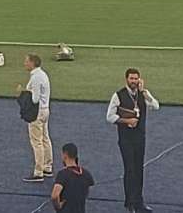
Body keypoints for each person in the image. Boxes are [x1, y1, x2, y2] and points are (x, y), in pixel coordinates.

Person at [106, 68, 159, 213]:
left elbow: (156, 106)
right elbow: (109, 117)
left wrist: (145, 93)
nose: (134, 81)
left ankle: (139, 202)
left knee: (139, 170)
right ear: (126, 79)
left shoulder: (143, 95)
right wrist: (125, 120)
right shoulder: (118, 95)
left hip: (140, 138)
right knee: (129, 170)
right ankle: (130, 202)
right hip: (125, 139)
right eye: (131, 79)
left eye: (136, 79)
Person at [19, 54, 53, 182]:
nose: (25, 63)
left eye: (26, 61)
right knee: (45, 138)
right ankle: (47, 166)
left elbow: (35, 99)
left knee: (37, 142)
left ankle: (38, 172)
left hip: (36, 112)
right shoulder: (43, 74)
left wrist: (23, 92)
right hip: (45, 110)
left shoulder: (36, 78)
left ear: (32, 63)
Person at [50, 143, 95, 213]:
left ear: (65, 155)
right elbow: (87, 191)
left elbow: (54, 196)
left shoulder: (63, 174)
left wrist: (58, 206)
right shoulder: (86, 174)